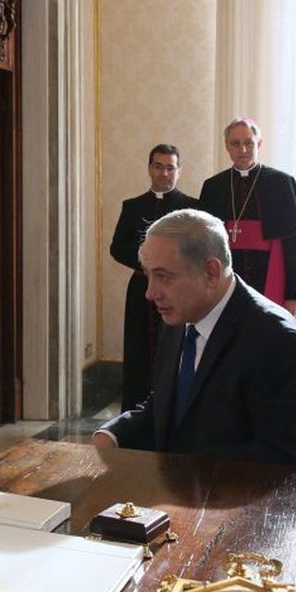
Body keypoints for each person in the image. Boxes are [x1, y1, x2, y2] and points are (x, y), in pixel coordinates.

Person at [94, 209, 296, 467]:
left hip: (245, 500)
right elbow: (166, 408)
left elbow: (282, 459)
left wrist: (185, 481)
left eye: (163, 276)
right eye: (148, 275)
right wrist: (113, 435)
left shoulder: (277, 342)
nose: (150, 293)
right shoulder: (180, 316)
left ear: (211, 273)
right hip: (183, 491)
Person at [109, 144, 197, 411]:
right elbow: (117, 247)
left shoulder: (191, 208)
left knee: (174, 347)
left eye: (170, 167)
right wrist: (148, 259)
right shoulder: (132, 206)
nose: (164, 173)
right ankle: (135, 410)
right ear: (149, 168)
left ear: (179, 172)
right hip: (141, 287)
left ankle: (173, 407)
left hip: (178, 290)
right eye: (158, 166)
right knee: (138, 350)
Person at [197, 118, 296, 312]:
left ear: (259, 144)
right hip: (226, 278)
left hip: (268, 275)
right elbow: (203, 245)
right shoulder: (213, 186)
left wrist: (293, 295)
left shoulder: (282, 183)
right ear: (227, 147)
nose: (243, 150)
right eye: (235, 143)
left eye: (249, 143)